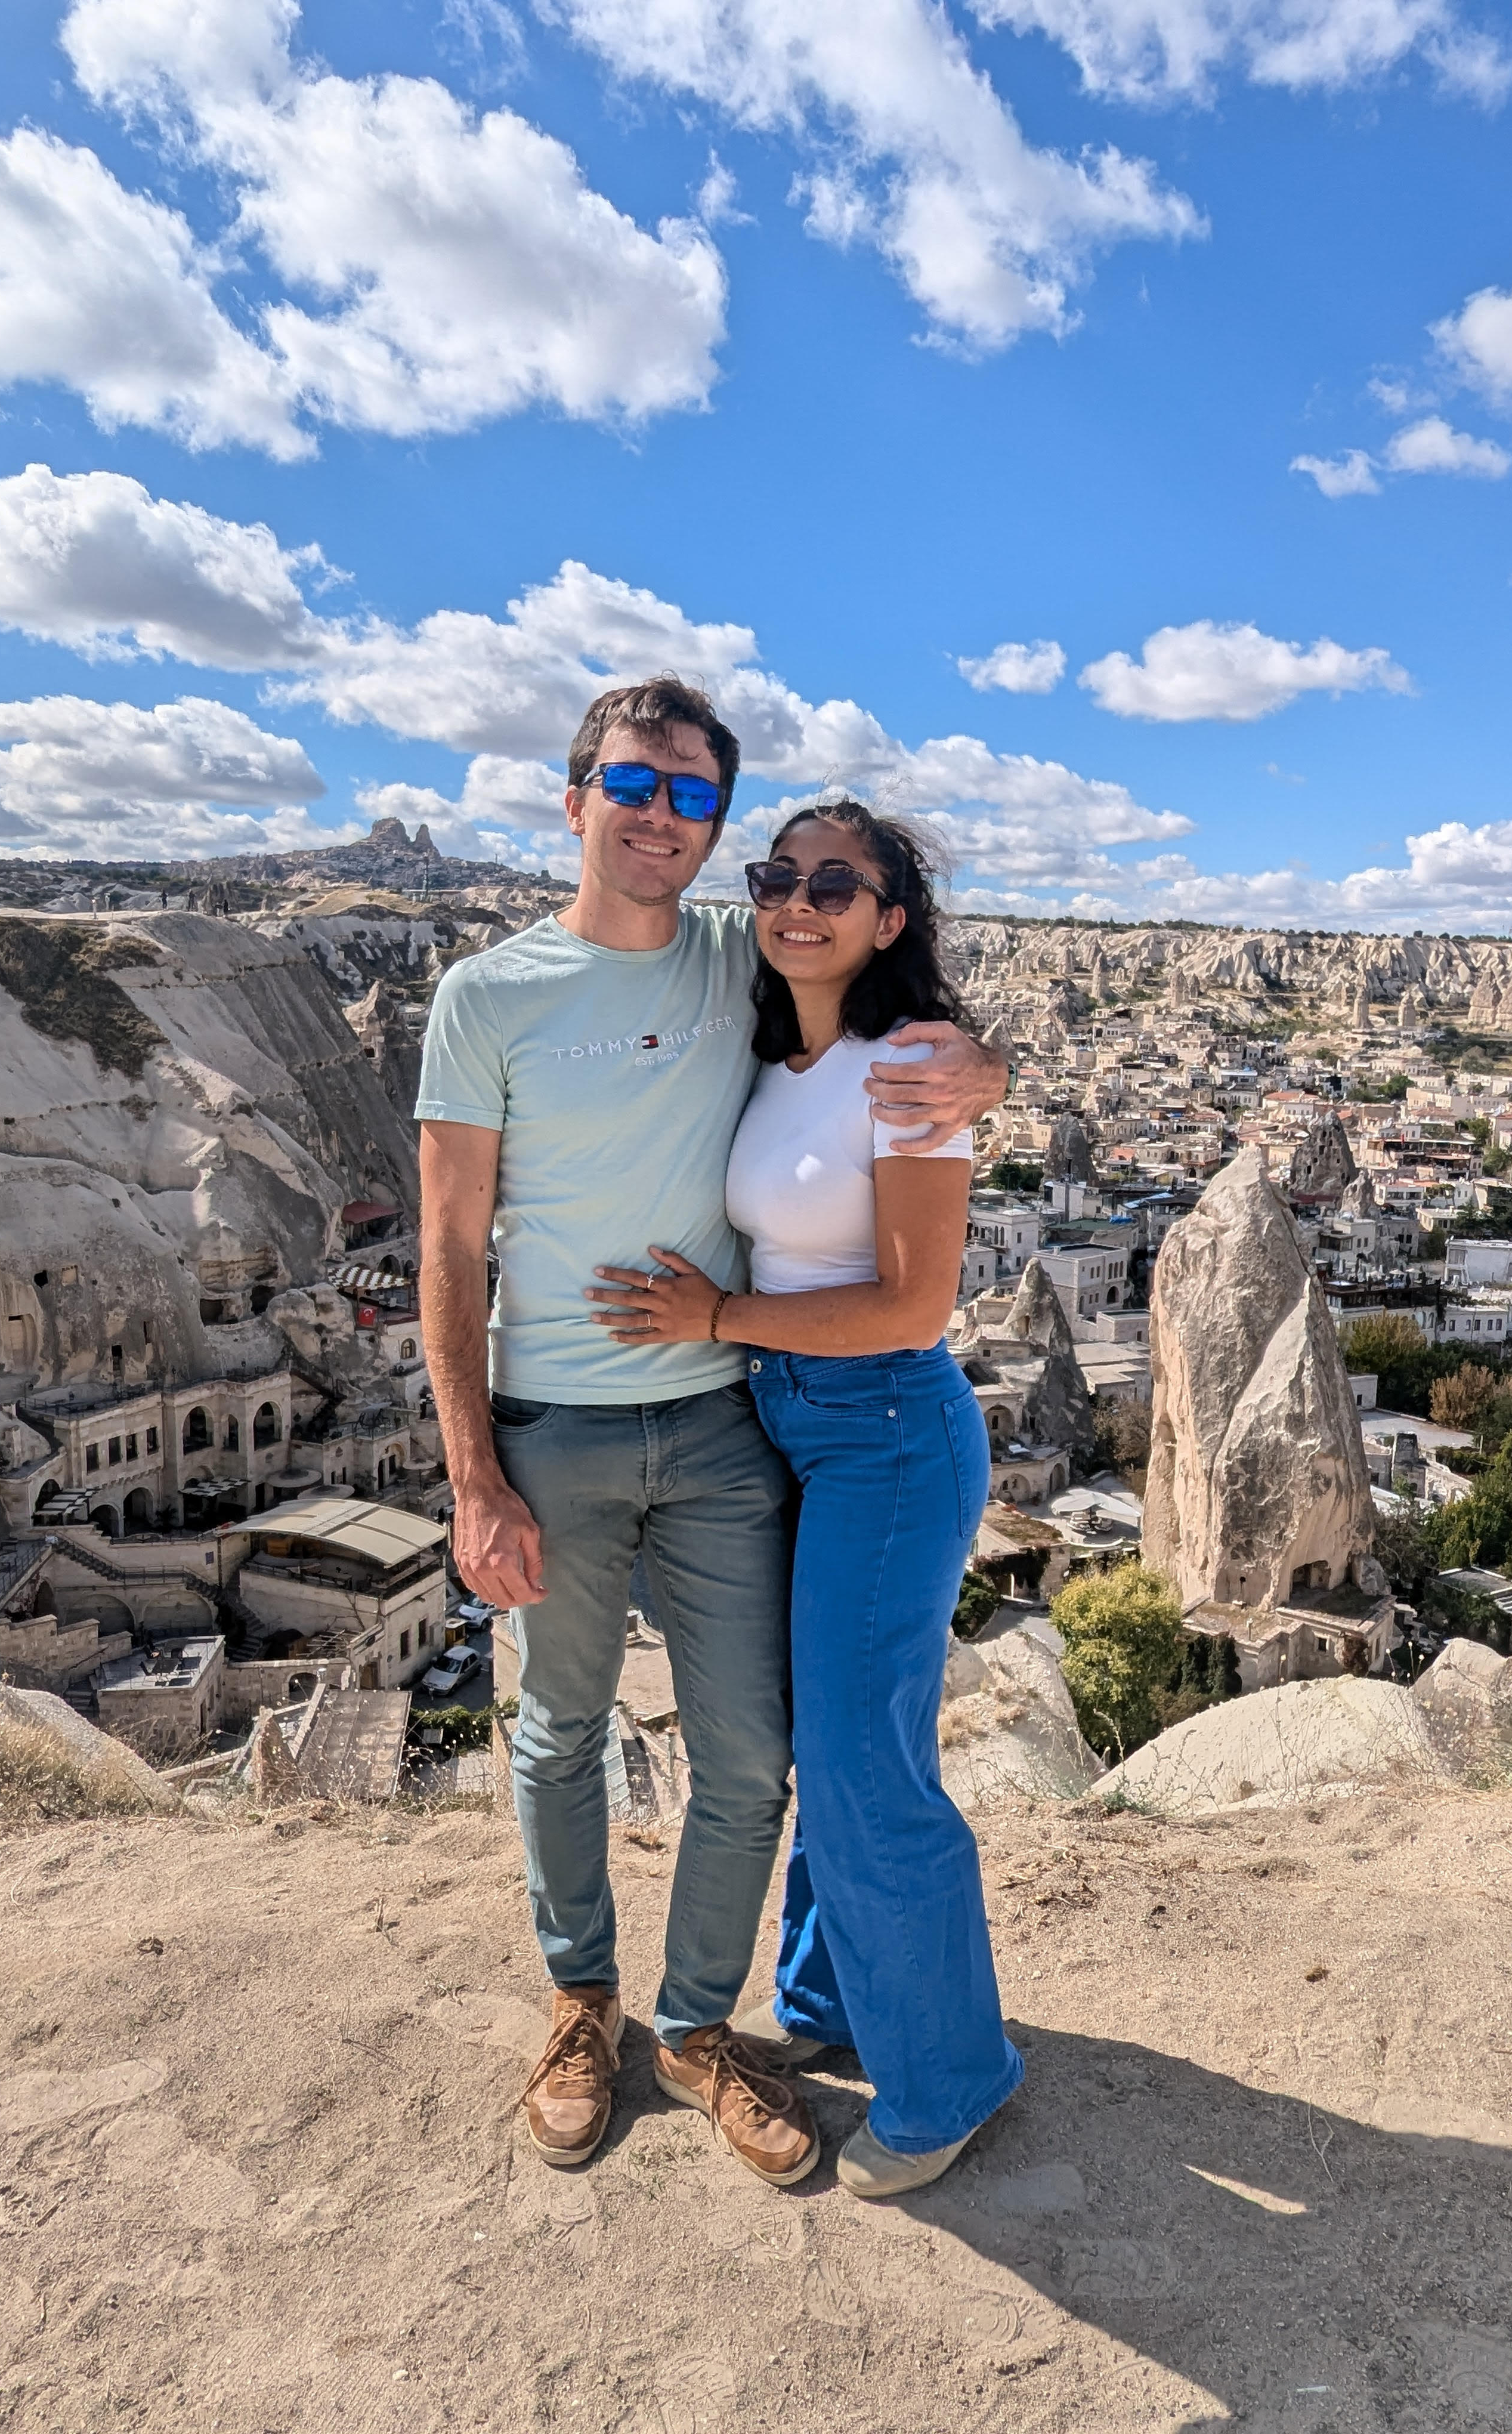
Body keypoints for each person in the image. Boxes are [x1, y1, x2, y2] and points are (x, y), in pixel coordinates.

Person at [415, 679, 1005, 2187]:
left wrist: (984, 1071)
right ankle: (580, 2002)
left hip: (741, 1425)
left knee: (766, 1755)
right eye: (637, 783)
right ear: (577, 797)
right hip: (566, 1425)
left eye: (695, 797)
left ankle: (702, 2026)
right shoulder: (491, 995)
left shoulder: (741, 961)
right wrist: (473, 1476)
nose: (664, 816)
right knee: (558, 1736)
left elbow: (906, 1031)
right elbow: (449, 1246)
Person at [588, 799, 1022, 2200]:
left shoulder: (904, 1069)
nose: (800, 899)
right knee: (811, 1740)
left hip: (883, 1433)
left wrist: (715, 1317)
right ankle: (833, 2004)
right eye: (778, 875)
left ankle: (950, 2076)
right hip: (785, 1428)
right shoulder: (780, 1048)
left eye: (840, 883)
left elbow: (914, 1305)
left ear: (891, 918)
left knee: (859, 1762)